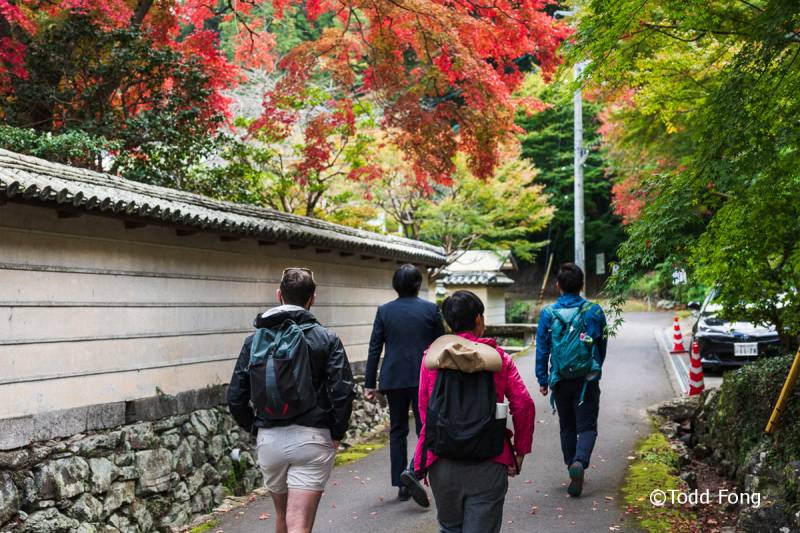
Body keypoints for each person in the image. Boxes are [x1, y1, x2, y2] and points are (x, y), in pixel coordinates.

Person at [228, 268, 355, 533]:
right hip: (312, 438)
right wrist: (337, 431)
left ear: (279, 295)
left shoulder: (254, 340)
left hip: (269, 440)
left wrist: (256, 427)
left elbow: (236, 397)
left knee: (282, 519)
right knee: (299, 525)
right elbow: (342, 391)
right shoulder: (327, 338)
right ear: (312, 299)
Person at [414, 290, 535, 533]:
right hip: (489, 461)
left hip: (442, 462)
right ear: (479, 319)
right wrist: (520, 451)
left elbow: (425, 409)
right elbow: (523, 404)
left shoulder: (432, 359)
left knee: (449, 528)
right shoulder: (499, 359)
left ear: (449, 322)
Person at [364, 264, 444, 506]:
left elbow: (374, 347)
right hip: (424, 378)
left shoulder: (384, 311)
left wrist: (369, 383)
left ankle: (401, 484)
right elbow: (441, 345)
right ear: (418, 284)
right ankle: (415, 472)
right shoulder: (431, 310)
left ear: (395, 285)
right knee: (425, 428)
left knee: (398, 430)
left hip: (394, 378)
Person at [535, 262, 607, 497]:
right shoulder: (594, 311)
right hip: (587, 380)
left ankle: (571, 467)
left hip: (560, 379)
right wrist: (595, 368)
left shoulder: (548, 313)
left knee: (567, 426)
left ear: (558, 285)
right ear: (582, 284)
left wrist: (543, 379)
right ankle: (580, 462)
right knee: (587, 427)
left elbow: (542, 349)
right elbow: (601, 344)